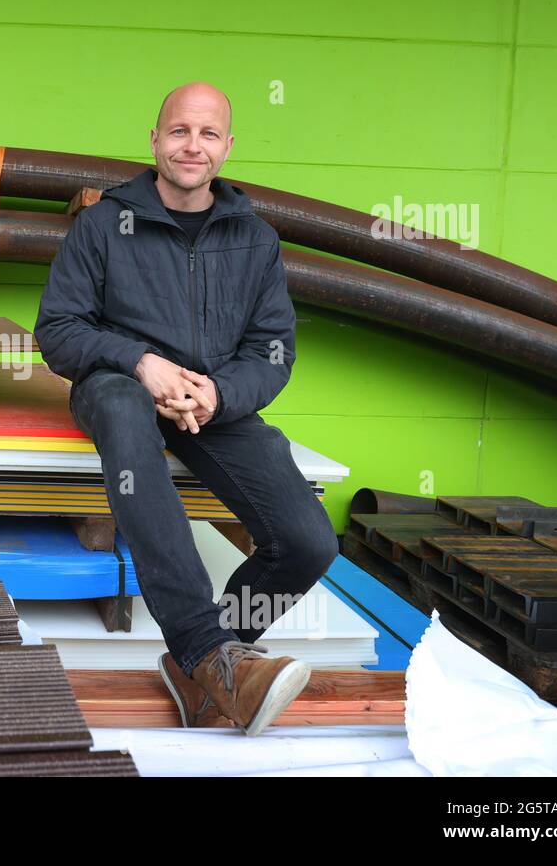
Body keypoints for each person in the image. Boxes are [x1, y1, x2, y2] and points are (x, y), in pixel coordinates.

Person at [33, 82, 339, 736]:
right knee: (120, 408)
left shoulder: (255, 239)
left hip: (213, 405)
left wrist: (221, 392)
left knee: (311, 541)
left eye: (207, 133)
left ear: (227, 147)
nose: (191, 145)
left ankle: (200, 664)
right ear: (154, 140)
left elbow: (273, 351)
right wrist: (142, 362)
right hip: (118, 385)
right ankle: (211, 650)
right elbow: (57, 329)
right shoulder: (103, 224)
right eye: (179, 131)